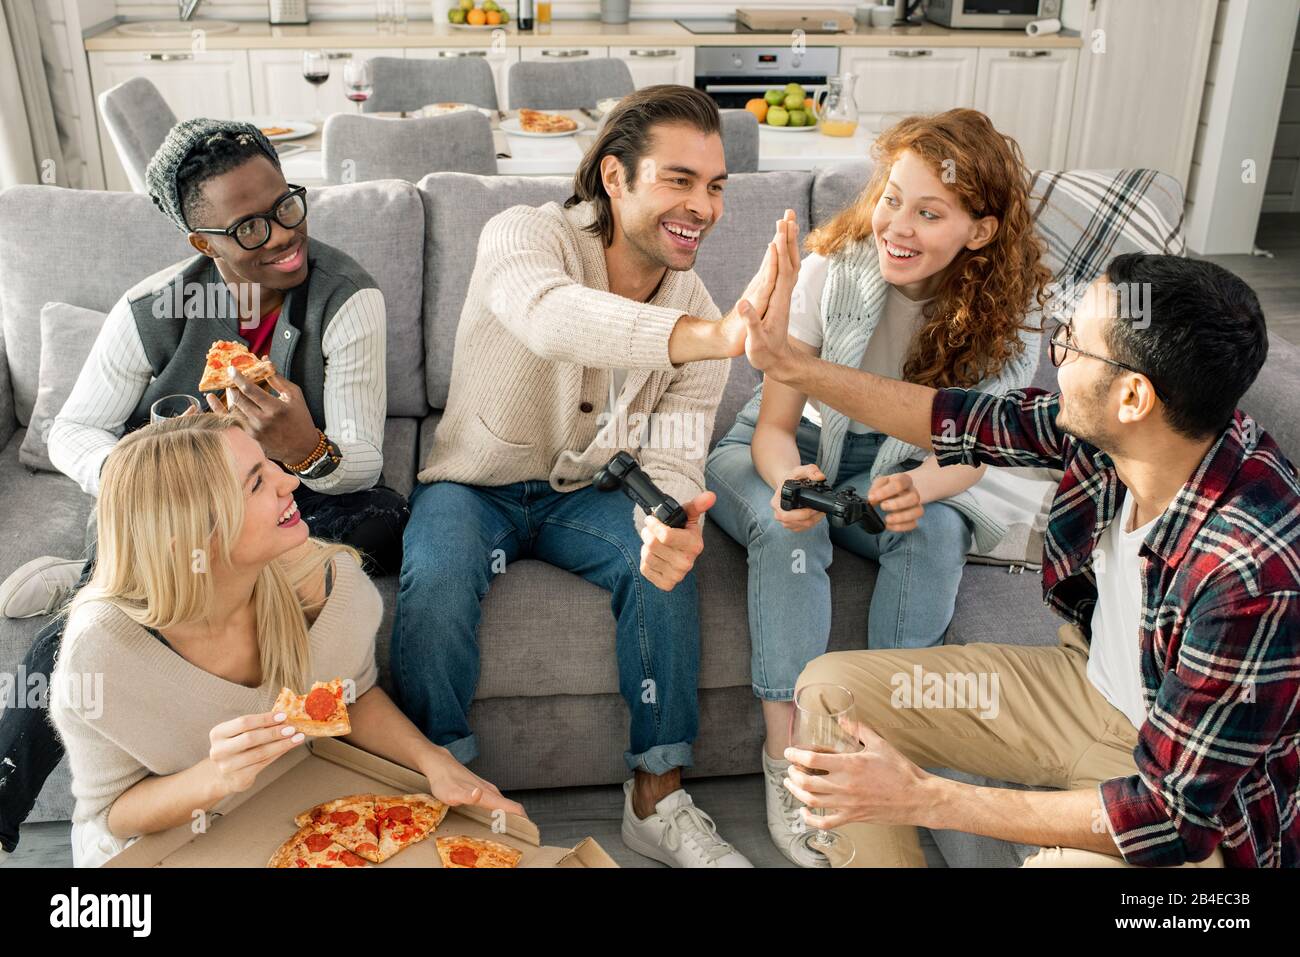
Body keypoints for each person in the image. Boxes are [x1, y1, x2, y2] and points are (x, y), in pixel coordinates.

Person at [742, 251, 1299, 867]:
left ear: (1134, 396)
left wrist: (922, 797)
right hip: (1086, 690)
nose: (1055, 359)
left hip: (1176, 795)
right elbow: (961, 420)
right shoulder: (1126, 432)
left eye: (1073, 346)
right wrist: (792, 365)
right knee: (829, 690)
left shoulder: (1250, 570)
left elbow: (1169, 818)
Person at [392, 84, 797, 868]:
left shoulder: (700, 305)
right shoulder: (524, 236)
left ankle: (657, 796)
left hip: (589, 494)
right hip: (474, 481)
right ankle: (444, 785)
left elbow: (677, 450)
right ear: (614, 177)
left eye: (714, 186)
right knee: (436, 574)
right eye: (678, 180)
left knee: (670, 566)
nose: (703, 207)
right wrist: (710, 336)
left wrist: (665, 515)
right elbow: (551, 316)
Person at [0, 119, 407, 858]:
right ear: (204, 244)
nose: (284, 234)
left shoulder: (349, 300)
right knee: (107, 613)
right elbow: (71, 430)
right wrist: (161, 486)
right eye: (249, 227)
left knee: (390, 518)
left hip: (293, 495)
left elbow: (362, 462)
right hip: (172, 517)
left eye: (287, 205)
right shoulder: (152, 308)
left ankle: (98, 576)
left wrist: (304, 447)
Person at [703, 110, 1051, 863]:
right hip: (783, 446)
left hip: (901, 462)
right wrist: (787, 482)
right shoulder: (831, 271)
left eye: (930, 213)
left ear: (981, 232)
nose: (898, 225)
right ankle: (787, 761)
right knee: (785, 526)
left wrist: (920, 488)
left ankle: (886, 742)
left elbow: (974, 446)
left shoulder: (1011, 322)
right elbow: (771, 428)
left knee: (935, 529)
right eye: (893, 198)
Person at [44, 414, 518, 867]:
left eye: (269, 463)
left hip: (279, 807)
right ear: (190, 535)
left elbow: (349, 696)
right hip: (147, 847)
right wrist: (215, 777)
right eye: (255, 482)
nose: (290, 482)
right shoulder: (102, 647)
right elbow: (112, 815)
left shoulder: (326, 579)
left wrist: (433, 761)